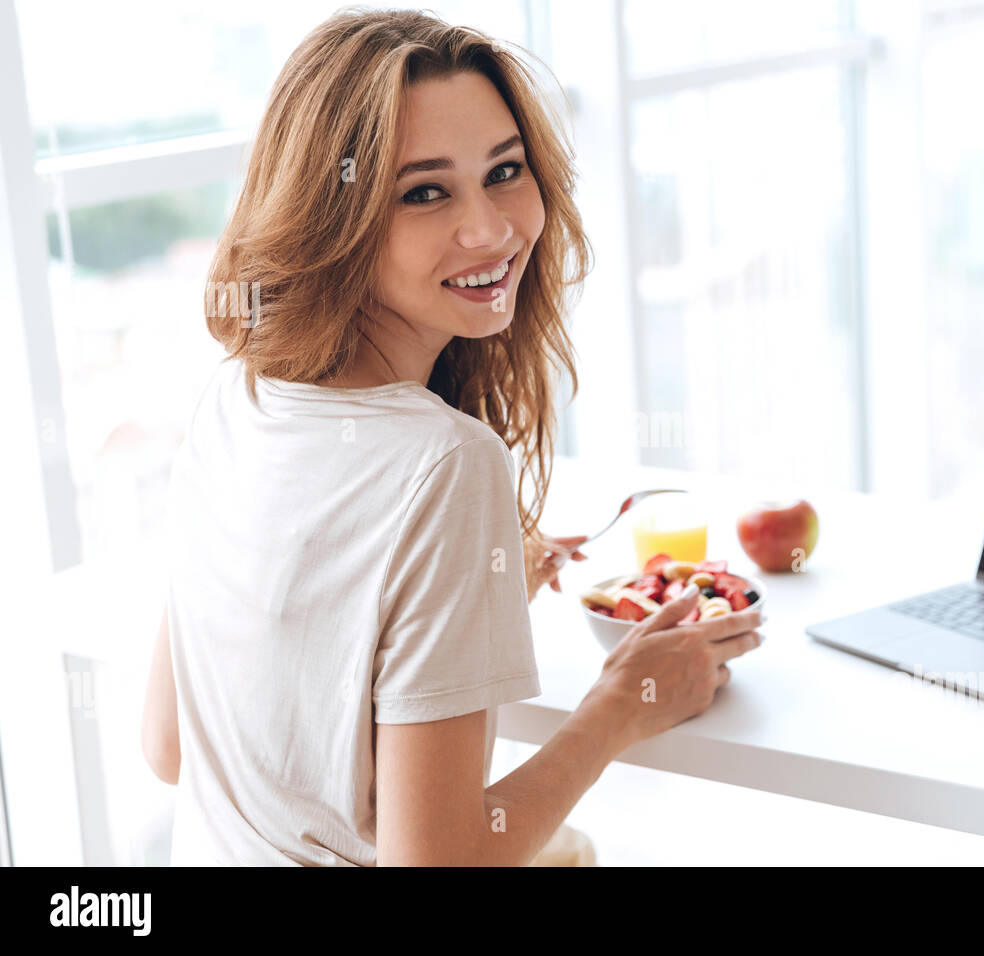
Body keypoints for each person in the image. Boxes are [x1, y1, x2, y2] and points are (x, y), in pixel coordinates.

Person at [139, 8, 764, 866]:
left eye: (505, 171)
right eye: (424, 191)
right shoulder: (447, 467)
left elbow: (170, 748)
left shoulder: (234, 396)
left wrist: (455, 582)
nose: (492, 229)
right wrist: (622, 703)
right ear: (333, 216)